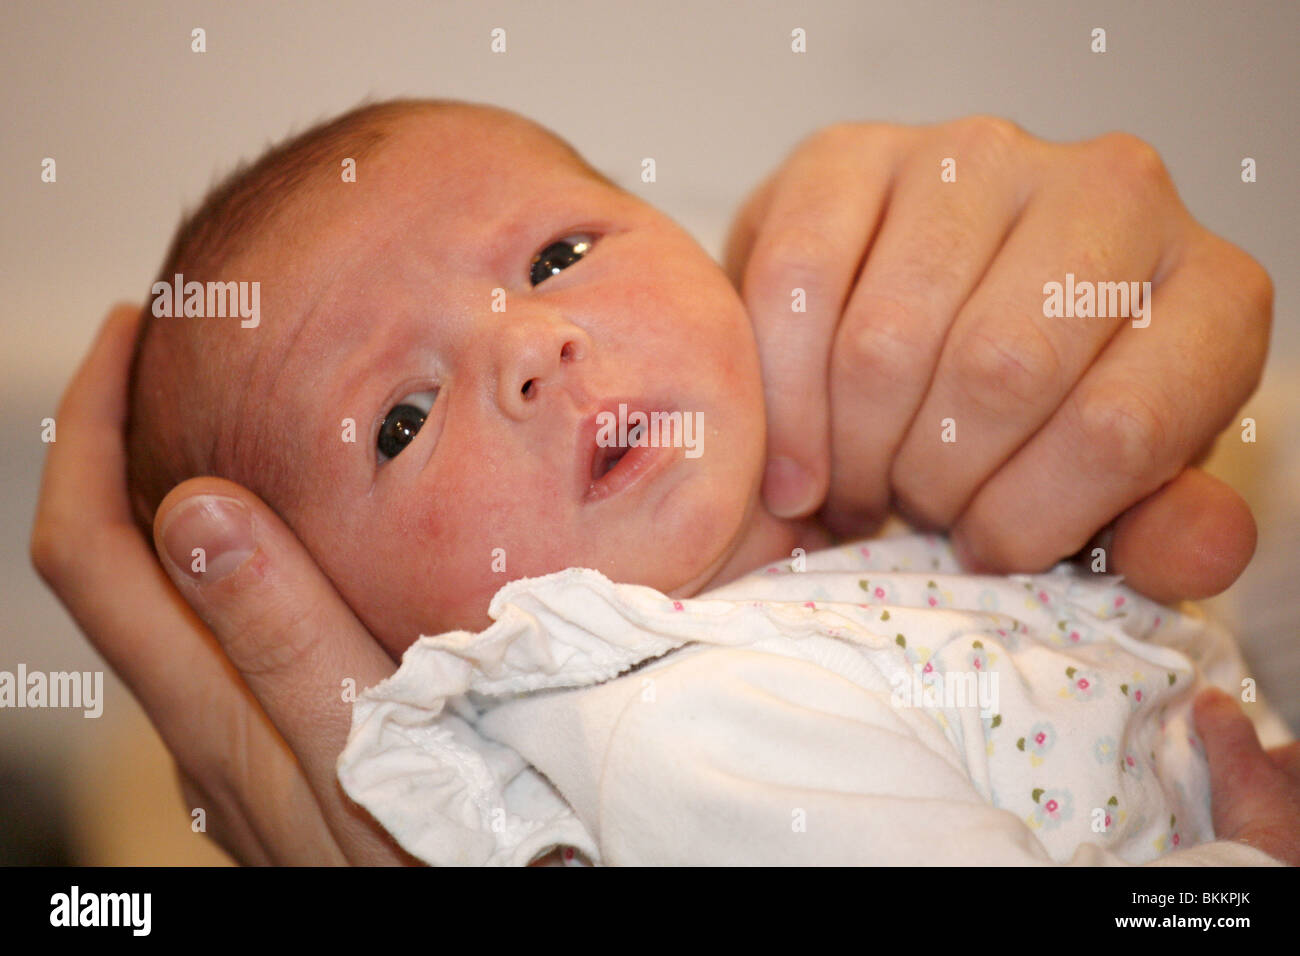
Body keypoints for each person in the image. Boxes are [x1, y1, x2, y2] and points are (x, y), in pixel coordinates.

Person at [32, 102, 1297, 866]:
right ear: (358, 639)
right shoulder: (679, 730)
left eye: (559, 254)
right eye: (400, 420)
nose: (530, 346)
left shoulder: (912, 530)